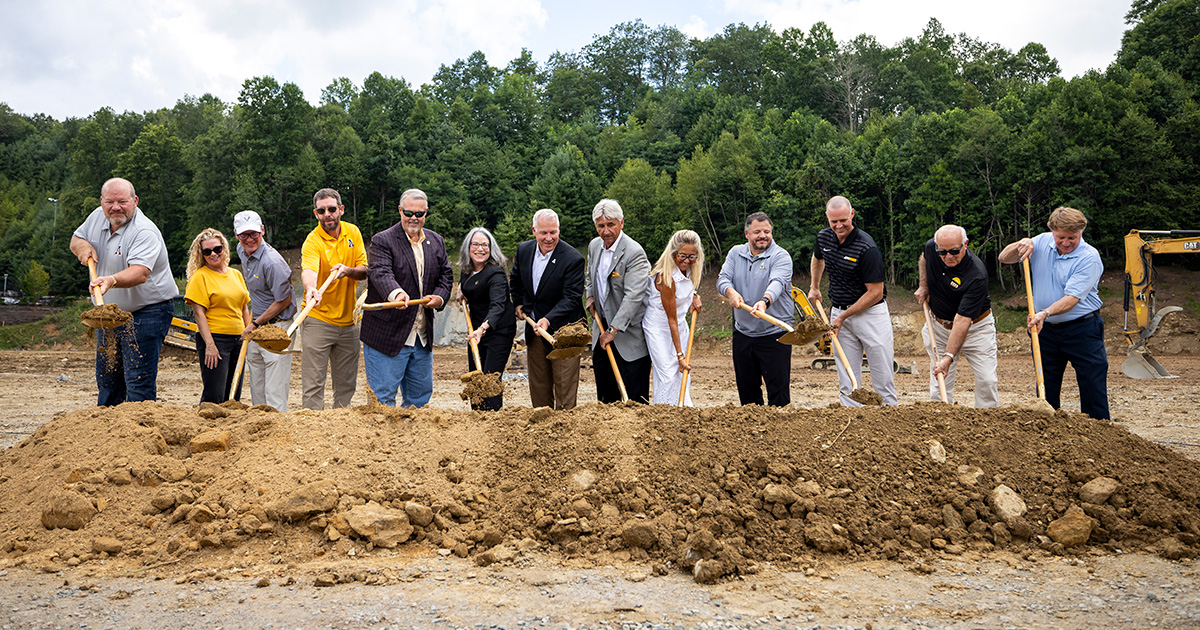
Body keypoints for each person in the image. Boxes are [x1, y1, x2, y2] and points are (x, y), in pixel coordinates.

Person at [69, 177, 177, 406]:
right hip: (109, 314)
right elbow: (76, 239)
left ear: (135, 201)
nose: (115, 207)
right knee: (108, 378)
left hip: (148, 310)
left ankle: (139, 434)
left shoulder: (144, 231)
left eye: (122, 201)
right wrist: (83, 247)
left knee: (137, 380)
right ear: (102, 202)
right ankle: (109, 432)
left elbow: (140, 273)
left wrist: (111, 280)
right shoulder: (97, 217)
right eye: (109, 201)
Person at [998, 207, 1109, 419]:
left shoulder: (1089, 257)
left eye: (1072, 238)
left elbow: (1071, 299)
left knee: (1092, 384)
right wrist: (1023, 242)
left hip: (1082, 329)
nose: (1066, 242)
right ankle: (1048, 434)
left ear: (1081, 232)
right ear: (1052, 231)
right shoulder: (1041, 242)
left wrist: (1044, 313)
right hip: (1045, 331)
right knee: (1046, 386)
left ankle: (1099, 435)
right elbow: (1004, 257)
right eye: (1060, 237)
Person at [360, 189, 453, 408]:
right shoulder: (382, 240)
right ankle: (382, 442)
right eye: (409, 212)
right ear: (400, 210)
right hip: (387, 336)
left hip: (420, 336)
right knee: (382, 401)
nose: (414, 218)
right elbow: (380, 273)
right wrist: (396, 294)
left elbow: (446, 276)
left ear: (426, 213)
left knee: (419, 401)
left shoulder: (436, 240)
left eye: (419, 213)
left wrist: (439, 298)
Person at [808, 196, 897, 407]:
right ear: (827, 219)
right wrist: (814, 286)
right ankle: (852, 419)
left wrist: (843, 316)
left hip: (871, 315)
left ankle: (889, 417)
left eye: (843, 220)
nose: (839, 226)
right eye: (834, 221)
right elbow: (818, 257)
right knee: (846, 375)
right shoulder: (824, 238)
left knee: (882, 372)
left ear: (852, 215)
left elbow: (875, 292)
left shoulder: (867, 248)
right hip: (839, 313)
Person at [509, 208, 586, 410]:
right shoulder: (524, 250)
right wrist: (518, 303)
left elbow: (572, 297)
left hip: (565, 333)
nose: (549, 238)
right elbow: (515, 280)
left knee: (564, 389)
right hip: (535, 331)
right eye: (544, 233)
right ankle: (541, 432)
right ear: (534, 231)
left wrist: (548, 319)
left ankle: (564, 433)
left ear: (559, 230)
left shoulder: (573, 258)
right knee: (539, 386)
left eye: (553, 232)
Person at [915, 225, 999, 407]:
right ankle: (941, 420)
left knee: (987, 380)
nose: (948, 257)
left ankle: (988, 421)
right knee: (940, 382)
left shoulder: (976, 275)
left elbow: (962, 321)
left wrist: (948, 356)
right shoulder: (932, 248)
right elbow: (924, 258)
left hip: (976, 328)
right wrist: (924, 285)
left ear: (965, 244)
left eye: (954, 251)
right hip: (939, 326)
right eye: (943, 252)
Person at [300, 188, 368, 410]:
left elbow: (364, 269)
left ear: (341, 209)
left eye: (331, 209)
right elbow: (309, 270)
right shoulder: (312, 241)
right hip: (317, 319)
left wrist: (347, 271)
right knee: (313, 385)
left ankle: (340, 432)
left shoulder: (353, 232)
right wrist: (311, 288)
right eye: (321, 210)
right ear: (315, 213)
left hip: (348, 322)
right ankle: (311, 431)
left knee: (346, 384)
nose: (327, 214)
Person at [717, 212, 795, 406]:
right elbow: (723, 278)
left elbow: (778, 282)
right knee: (747, 392)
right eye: (757, 232)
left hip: (775, 333)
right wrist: (730, 292)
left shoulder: (781, 256)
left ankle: (781, 432)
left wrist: (765, 301)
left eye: (767, 231)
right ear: (747, 234)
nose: (762, 235)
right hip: (743, 333)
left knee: (778, 393)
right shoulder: (736, 253)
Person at [585, 199, 652, 404]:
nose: (605, 231)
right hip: (601, 330)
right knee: (606, 397)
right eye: (601, 226)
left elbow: (634, 296)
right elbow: (590, 276)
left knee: (634, 398)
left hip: (627, 335)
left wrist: (613, 330)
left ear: (621, 223)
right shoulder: (595, 246)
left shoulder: (634, 253)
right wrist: (589, 296)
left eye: (611, 224)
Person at [233, 210, 296, 412]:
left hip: (277, 325)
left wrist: (255, 324)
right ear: (236, 234)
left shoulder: (273, 262)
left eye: (254, 234)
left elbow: (284, 300)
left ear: (262, 230)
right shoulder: (241, 250)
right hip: (257, 325)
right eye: (244, 235)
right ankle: (259, 425)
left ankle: (277, 429)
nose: (249, 239)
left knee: (274, 387)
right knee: (257, 381)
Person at [184, 228, 252, 404]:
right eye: (207, 251)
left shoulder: (235, 275)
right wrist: (210, 345)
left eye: (217, 249)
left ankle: (230, 429)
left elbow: (244, 307)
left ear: (224, 248)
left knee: (233, 393)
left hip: (238, 339)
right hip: (215, 339)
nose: (213, 254)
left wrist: (247, 335)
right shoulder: (200, 277)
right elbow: (199, 313)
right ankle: (208, 428)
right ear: (202, 254)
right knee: (215, 393)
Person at [642, 230, 704, 405]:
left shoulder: (690, 271)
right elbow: (671, 319)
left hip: (679, 326)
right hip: (659, 327)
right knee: (668, 373)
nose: (686, 261)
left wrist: (694, 296)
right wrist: (680, 355)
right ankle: (664, 413)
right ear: (673, 253)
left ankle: (682, 410)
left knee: (682, 373)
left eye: (692, 257)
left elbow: (686, 289)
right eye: (682, 255)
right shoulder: (664, 277)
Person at [458, 227, 516, 411]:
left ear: (491, 249)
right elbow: (469, 286)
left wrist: (483, 328)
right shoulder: (467, 270)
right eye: (475, 244)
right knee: (476, 376)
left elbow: (498, 305)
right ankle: (477, 420)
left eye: (485, 245)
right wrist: (462, 290)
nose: (480, 249)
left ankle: (491, 418)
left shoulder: (496, 274)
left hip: (497, 331)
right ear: (468, 247)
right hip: (476, 330)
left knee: (490, 379)